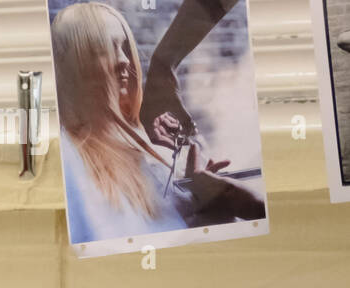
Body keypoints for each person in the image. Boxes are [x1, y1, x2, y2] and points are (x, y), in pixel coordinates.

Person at [50, 2, 264, 245]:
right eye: (103, 50)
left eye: (125, 48)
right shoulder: (71, 163)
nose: (124, 61)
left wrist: (208, 205)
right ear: (73, 66)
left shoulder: (153, 159)